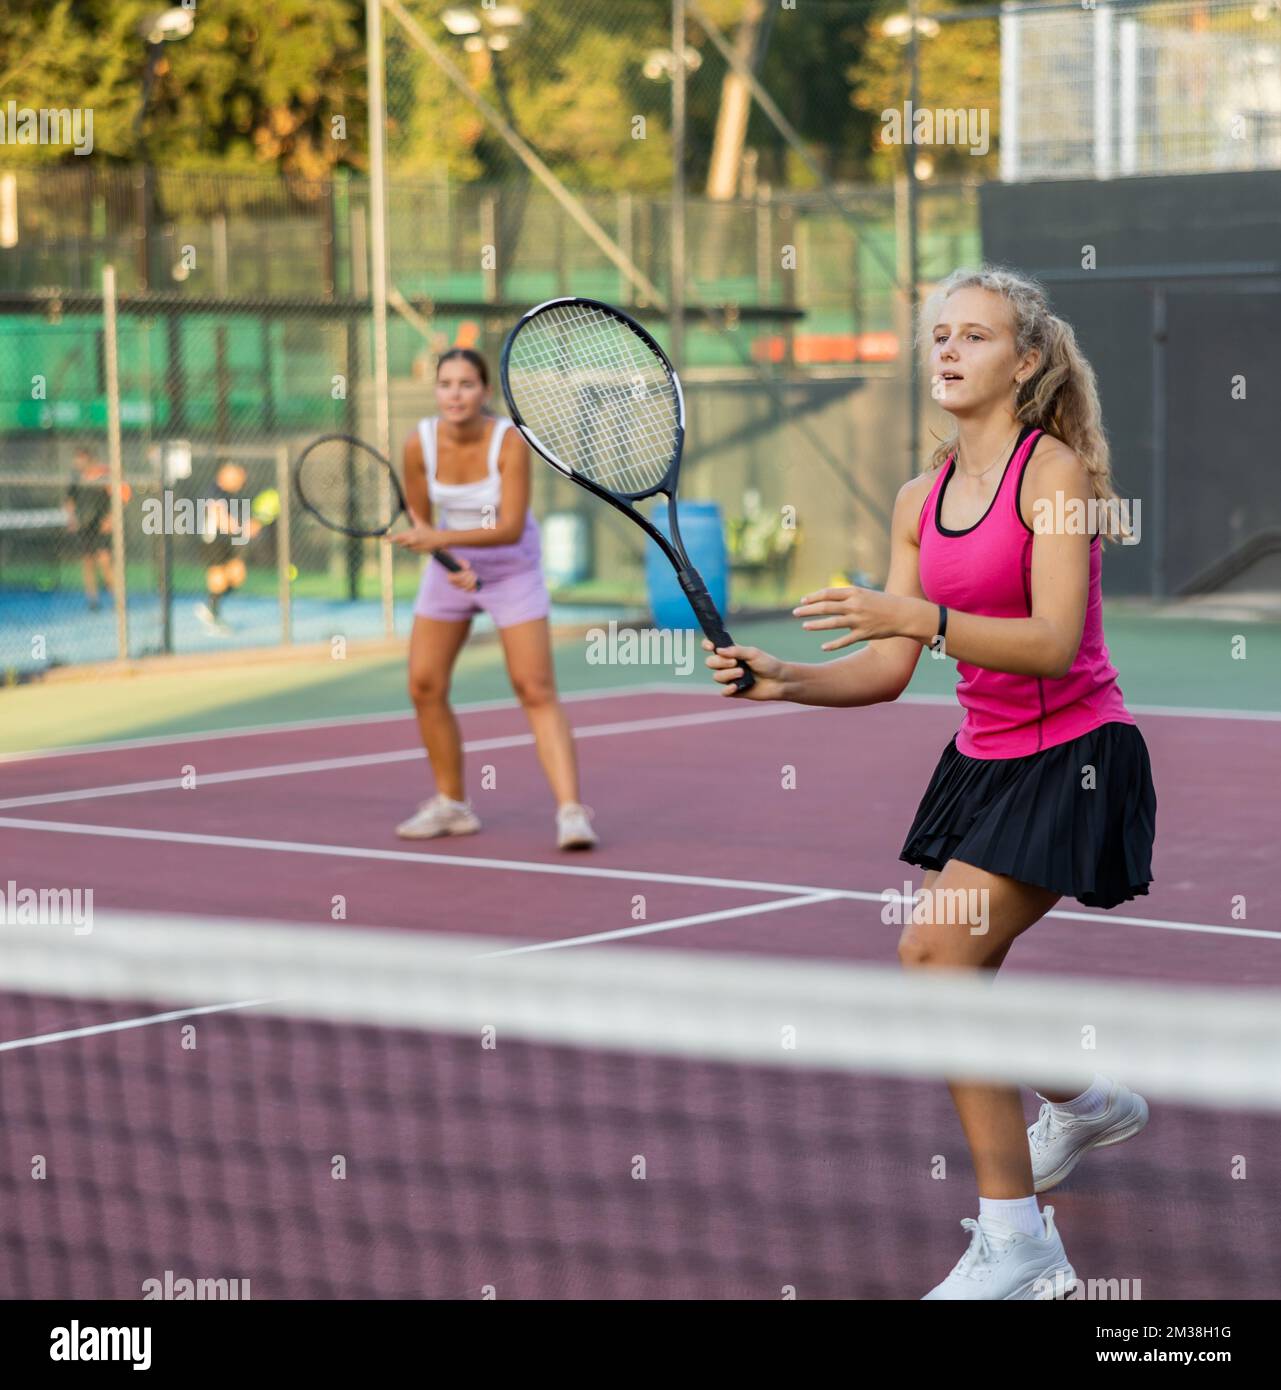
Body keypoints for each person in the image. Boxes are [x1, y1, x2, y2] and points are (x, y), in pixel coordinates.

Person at [702, 265, 1157, 1300]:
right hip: (985, 760)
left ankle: (1022, 1244)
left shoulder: (1059, 477)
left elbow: (1049, 639)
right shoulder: (920, 497)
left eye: (976, 337)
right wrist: (790, 682)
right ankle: (1085, 1104)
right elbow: (887, 670)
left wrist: (920, 619)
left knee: (930, 950)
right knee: (960, 969)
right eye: (938, 335)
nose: (947, 351)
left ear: (1027, 361)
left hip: (1078, 758)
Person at [391, 347, 597, 851]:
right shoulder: (418, 444)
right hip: (453, 570)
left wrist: (440, 543)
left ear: (485, 391)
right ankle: (453, 806)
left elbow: (507, 527)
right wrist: (447, 561)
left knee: (534, 687)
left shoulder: (509, 442)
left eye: (466, 384)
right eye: (445, 384)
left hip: (512, 570)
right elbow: (422, 523)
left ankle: (572, 814)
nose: (455, 394)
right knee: (423, 684)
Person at [195, 462, 261, 635]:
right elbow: (220, 519)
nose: (241, 482)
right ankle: (212, 616)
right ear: (226, 476)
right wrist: (243, 529)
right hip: (213, 542)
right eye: (238, 478)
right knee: (218, 580)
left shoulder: (231, 495)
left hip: (227, 541)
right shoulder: (215, 492)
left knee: (237, 575)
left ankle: (210, 608)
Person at [64, 447, 115, 609]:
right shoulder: (76, 478)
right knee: (87, 562)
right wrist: (71, 519)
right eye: (77, 459)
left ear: (89, 459)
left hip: (101, 525)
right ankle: (93, 600)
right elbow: (70, 501)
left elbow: (115, 497)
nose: (78, 462)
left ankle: (117, 598)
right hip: (84, 525)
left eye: (82, 459)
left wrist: (110, 518)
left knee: (104, 560)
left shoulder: (103, 474)